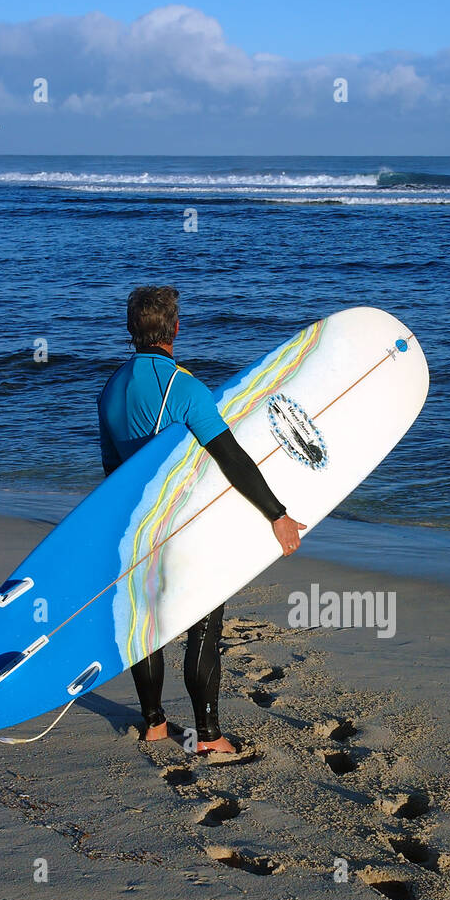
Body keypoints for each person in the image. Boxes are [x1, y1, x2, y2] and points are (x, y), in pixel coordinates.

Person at [98, 286, 305, 752]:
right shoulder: (187, 388)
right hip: (184, 527)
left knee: (147, 626)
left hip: (134, 529)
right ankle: (207, 736)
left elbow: (113, 473)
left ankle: (153, 723)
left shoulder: (109, 389)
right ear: (176, 328)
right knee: (203, 623)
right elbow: (232, 458)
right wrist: (278, 515)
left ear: (131, 330)